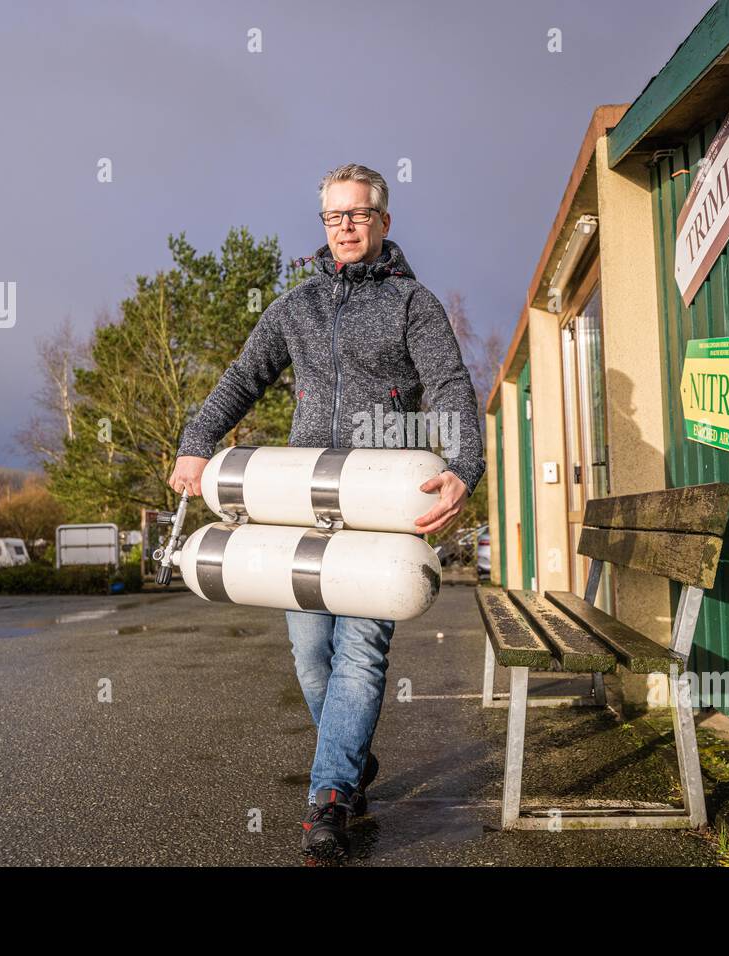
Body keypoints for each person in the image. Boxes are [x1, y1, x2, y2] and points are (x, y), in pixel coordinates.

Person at [169, 163, 485, 860]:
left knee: (362, 651)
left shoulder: (414, 304)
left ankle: (330, 798)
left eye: (358, 214)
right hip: (302, 503)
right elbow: (241, 379)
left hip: (380, 505)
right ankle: (352, 758)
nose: (345, 227)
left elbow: (450, 387)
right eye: (333, 216)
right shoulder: (296, 308)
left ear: (383, 221)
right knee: (311, 654)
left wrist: (464, 468)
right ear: (323, 225)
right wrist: (197, 444)